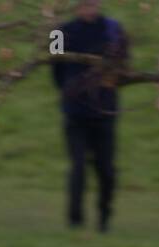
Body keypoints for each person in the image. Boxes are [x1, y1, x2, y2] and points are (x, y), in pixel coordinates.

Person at [51, 1, 129, 232]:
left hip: (105, 112)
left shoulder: (113, 29)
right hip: (75, 113)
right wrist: (69, 92)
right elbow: (55, 68)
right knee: (77, 167)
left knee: (106, 169)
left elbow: (123, 65)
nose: (89, 8)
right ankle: (75, 221)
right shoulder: (60, 32)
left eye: (92, 3)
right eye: (84, 4)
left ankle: (104, 218)